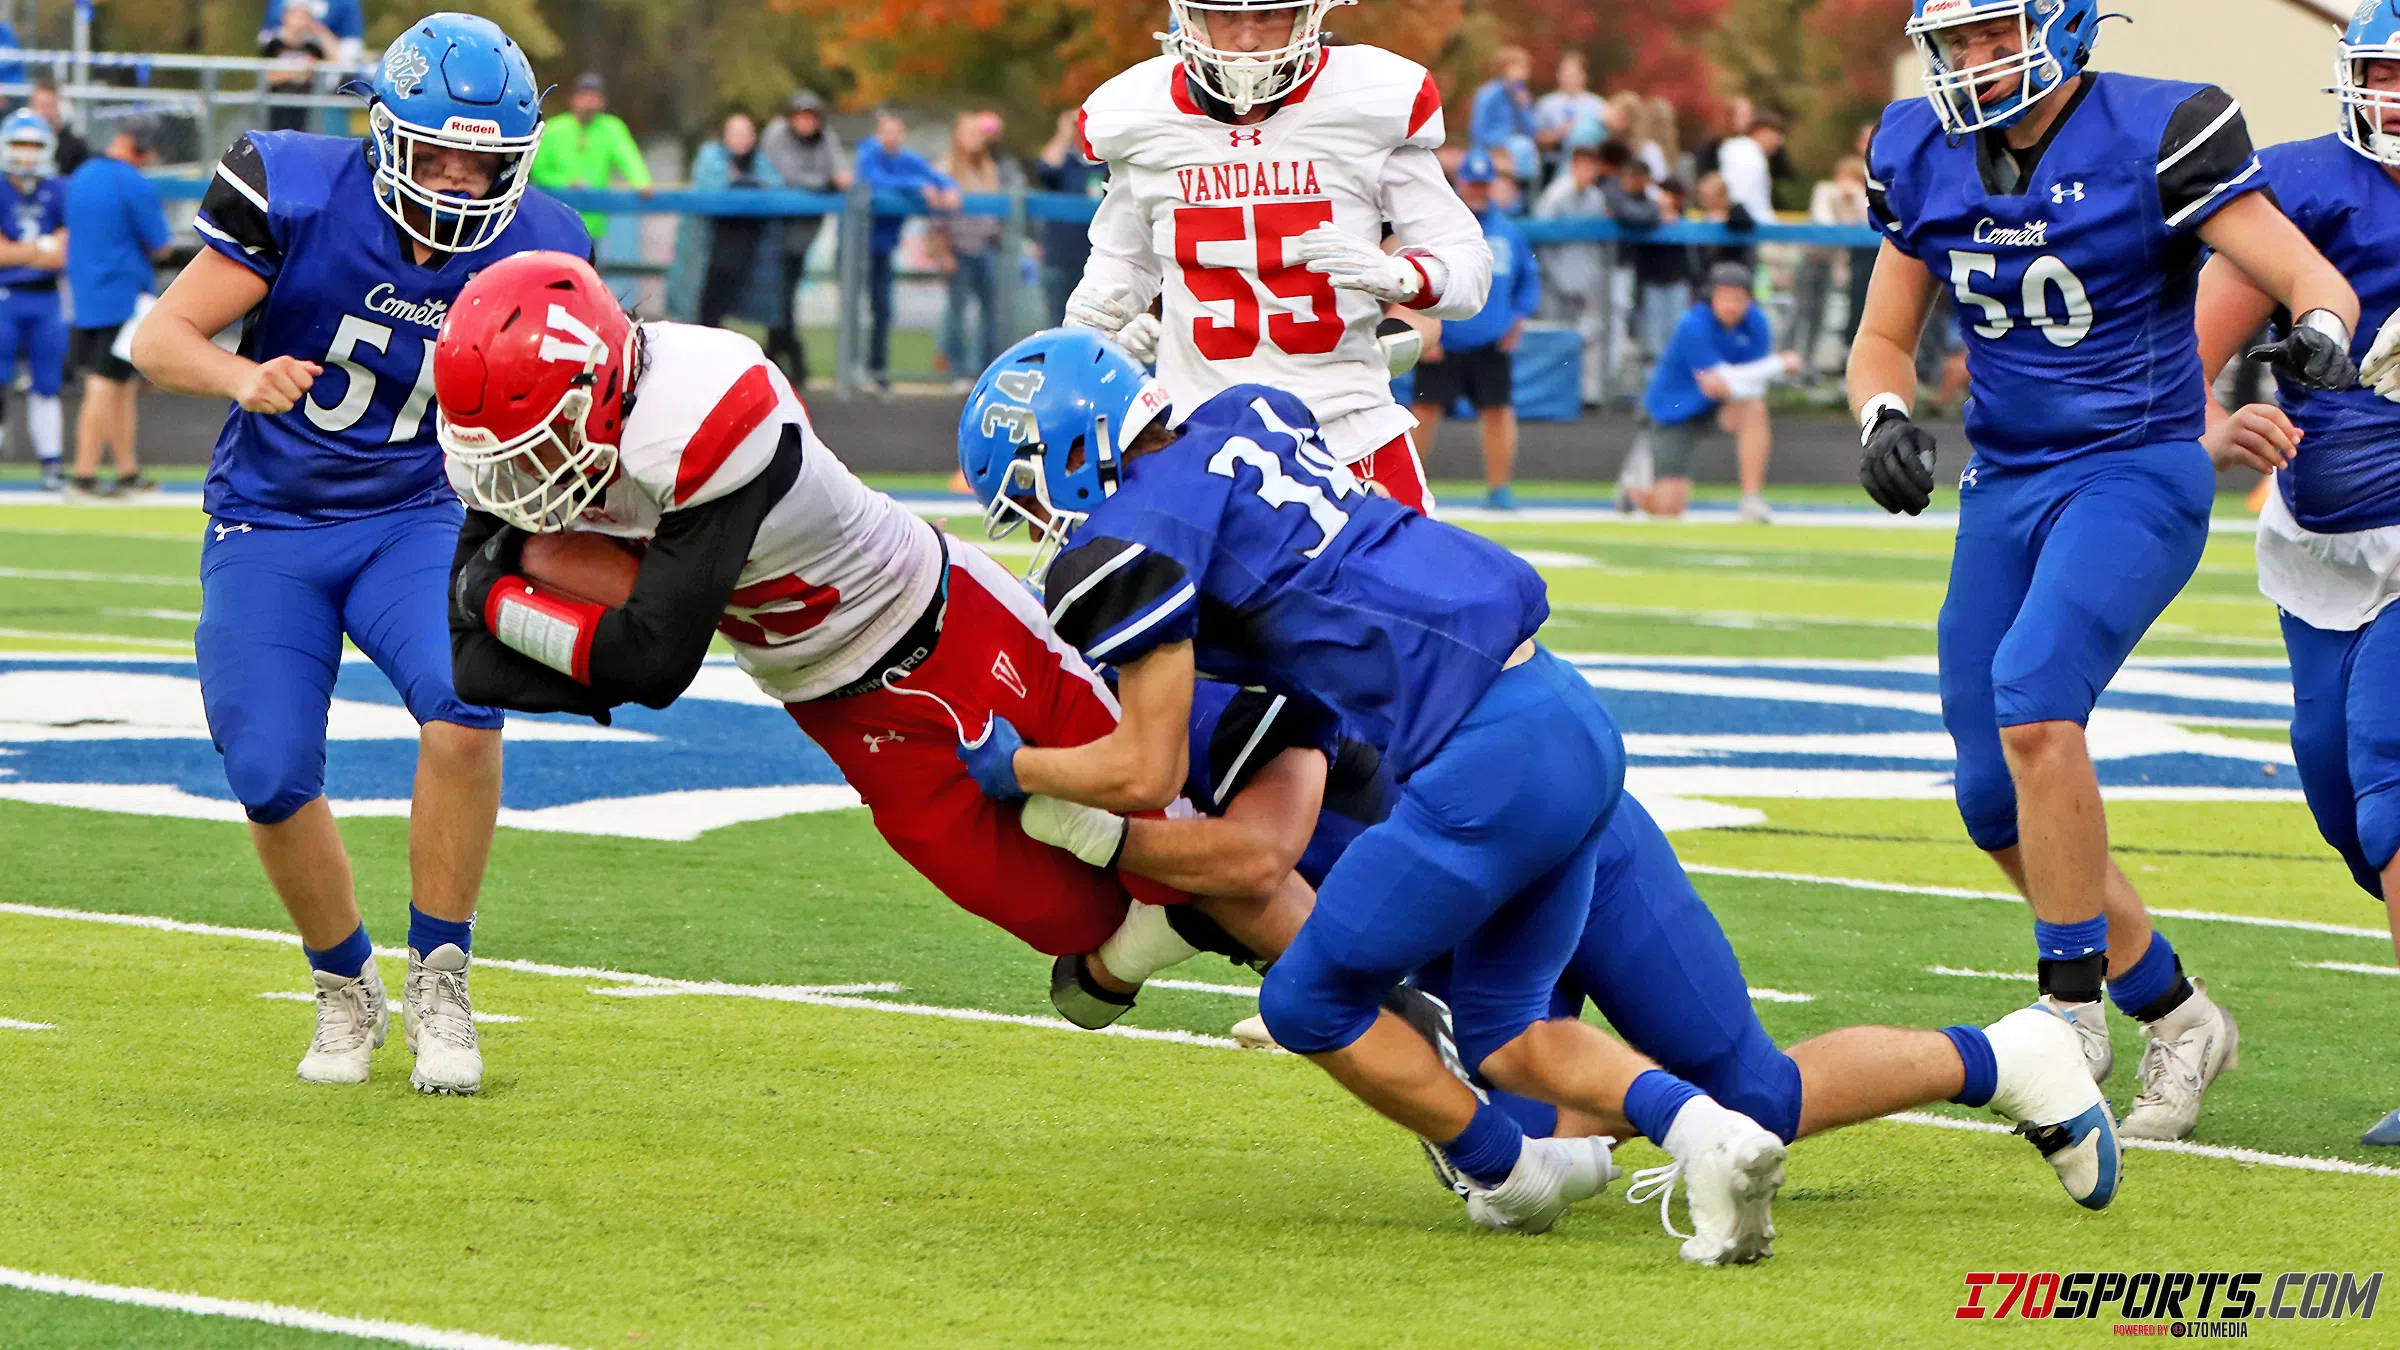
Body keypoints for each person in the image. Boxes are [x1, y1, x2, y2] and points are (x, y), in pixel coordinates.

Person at [957, 330, 1782, 1257]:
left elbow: (1144, 771)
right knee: (1505, 1032)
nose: (1036, 525)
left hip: (1486, 755)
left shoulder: (1129, 540)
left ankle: (1512, 1180)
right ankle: (1710, 1134)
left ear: (1074, 451)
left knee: (1305, 1000)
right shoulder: (1247, 414)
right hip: (1565, 707)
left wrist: (1016, 770)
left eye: (1027, 496)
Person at [433, 253, 1294, 1009]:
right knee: (1072, 921)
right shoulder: (512, 444)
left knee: (1172, 851)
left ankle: (1365, 971)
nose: (521, 472)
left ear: (600, 387)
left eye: (539, 443)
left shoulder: (703, 407)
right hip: (839, 707)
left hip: (947, 621)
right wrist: (513, 609)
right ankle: (1162, 947)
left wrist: (498, 599)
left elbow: (650, 663)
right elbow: (472, 667)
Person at [1017, 703, 2123, 1234]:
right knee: (1511, 1163)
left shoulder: (1248, 707)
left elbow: (1255, 864)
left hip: (1553, 835)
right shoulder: (1186, 816)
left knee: (1751, 1093)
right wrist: (1121, 937)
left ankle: (2004, 1059)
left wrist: (1100, 860)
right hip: (1473, 929)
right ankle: (1653, 1122)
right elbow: (1164, 948)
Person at [1849, 0, 2361, 1141]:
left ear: (2066, 26)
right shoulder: (1914, 148)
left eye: (1996, 35)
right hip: (2006, 484)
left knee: (2037, 699)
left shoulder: (2162, 126)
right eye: (1959, 40)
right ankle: (2176, 1015)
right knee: (1992, 798)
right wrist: (1882, 414)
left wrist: (2318, 332)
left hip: (2138, 469)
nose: (1974, 62)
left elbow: (2307, 274)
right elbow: (1883, 337)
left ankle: (2066, 1009)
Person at [129, 13, 589, 1095]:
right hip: (273, 522)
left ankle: (442, 974)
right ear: (383, 131)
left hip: (416, 515)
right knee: (269, 771)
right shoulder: (296, 188)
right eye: (437, 150)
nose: (460, 178)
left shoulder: (545, 240)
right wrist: (244, 379)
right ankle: (345, 985)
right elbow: (159, 340)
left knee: (465, 708)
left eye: (484, 157)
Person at [2191, 9, 2400, 1147]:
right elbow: (2188, 351)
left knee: (2390, 764)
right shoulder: (2309, 186)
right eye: (2386, 75)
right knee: (2336, 787)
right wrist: (2224, 422)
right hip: (2323, 537)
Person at [1064, 0, 1495, 514]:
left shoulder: (1365, 102)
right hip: (1198, 442)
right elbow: (1122, 266)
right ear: (1189, 18)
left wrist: (1402, 275)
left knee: (1420, 592)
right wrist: (1102, 325)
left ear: (1311, 14)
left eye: (1269, 15)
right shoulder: (1139, 114)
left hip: (1348, 434)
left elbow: (1469, 267)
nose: (1247, 39)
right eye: (1227, 16)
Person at [1411, 149, 1538, 510]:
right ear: (1460, 183)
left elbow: (1527, 280)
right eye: (1473, 183)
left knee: (1498, 412)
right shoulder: (1437, 227)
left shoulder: (1509, 233)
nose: (1479, 191)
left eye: (1485, 184)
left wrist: (1518, 320)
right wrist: (1424, 328)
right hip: (1444, 340)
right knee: (1424, 412)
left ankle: (1499, 488)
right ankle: (1411, 488)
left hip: (1490, 342)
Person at [1621, 262, 1795, 521]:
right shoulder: (1693, 323)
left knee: (1754, 408)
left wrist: (1757, 374)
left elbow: (1753, 386)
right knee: (1669, 508)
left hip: (1718, 406)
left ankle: (1751, 499)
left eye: (1739, 298)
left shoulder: (1757, 322)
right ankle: (1633, 489)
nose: (1731, 306)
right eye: (1724, 297)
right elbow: (1714, 384)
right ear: (1711, 297)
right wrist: (1778, 365)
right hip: (1673, 412)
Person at [62, 116, 170, 500]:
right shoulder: (133, 182)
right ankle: (84, 476)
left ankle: (127, 472)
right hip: (123, 295)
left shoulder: (81, 175)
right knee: (105, 385)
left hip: (85, 294)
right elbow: (160, 243)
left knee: (120, 385)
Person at [853, 109, 960, 395]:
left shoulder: (907, 159)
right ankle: (852, 371)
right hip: (855, 245)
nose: (891, 137)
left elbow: (938, 179)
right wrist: (918, 186)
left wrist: (948, 189)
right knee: (853, 308)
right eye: (886, 131)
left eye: (897, 131)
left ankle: (877, 372)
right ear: (878, 134)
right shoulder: (868, 154)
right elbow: (873, 180)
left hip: (883, 248)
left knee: (882, 310)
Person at [758, 91, 848, 387]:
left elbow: (841, 173)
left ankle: (778, 361)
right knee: (777, 299)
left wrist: (831, 181)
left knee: (785, 297)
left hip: (802, 232)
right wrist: (824, 184)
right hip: (769, 229)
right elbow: (786, 174)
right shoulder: (776, 134)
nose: (805, 122)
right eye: (800, 115)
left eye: (811, 116)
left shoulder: (827, 139)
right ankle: (789, 361)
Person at [0, 111, 70, 492]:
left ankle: (52, 464)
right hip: (4, 299)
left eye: (34, 146)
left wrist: (18, 251)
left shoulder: (58, 189)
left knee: (47, 384)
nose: (26, 155)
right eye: (19, 145)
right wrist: (40, 248)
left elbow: (62, 254)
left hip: (46, 300)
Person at [933, 111, 1013, 393]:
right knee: (957, 312)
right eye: (970, 133)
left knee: (991, 313)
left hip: (986, 247)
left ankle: (986, 369)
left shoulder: (989, 168)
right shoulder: (945, 169)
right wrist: (943, 252)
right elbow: (938, 219)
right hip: (958, 248)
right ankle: (958, 370)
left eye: (979, 134)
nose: (976, 139)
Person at [529, 72, 651, 240]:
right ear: (573, 98)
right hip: (556, 219)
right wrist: (565, 182)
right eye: (584, 96)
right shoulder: (554, 129)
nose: (589, 102)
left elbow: (629, 158)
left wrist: (642, 182)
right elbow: (538, 170)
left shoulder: (611, 129)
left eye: (595, 97)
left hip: (593, 223)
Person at [1532, 139, 1609, 403]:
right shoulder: (1555, 195)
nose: (1588, 172)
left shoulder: (1597, 198)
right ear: (1573, 166)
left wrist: (1590, 282)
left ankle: (1587, 395)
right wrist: (1555, 278)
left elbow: (1598, 246)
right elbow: (1540, 240)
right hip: (1554, 280)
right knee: (1553, 334)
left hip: (1586, 281)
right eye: (1583, 165)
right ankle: (1549, 396)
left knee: (1590, 335)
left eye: (1592, 166)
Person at [691, 112, 782, 330]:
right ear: (725, 136)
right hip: (712, 247)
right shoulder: (711, 158)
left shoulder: (760, 161)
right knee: (707, 310)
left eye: (745, 133)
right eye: (735, 134)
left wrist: (743, 183)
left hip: (749, 250)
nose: (741, 139)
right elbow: (707, 190)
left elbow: (775, 187)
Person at [1792, 155, 1868, 378]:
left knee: (1820, 313)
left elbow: (1865, 221)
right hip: (1810, 258)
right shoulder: (1824, 190)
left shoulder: (1856, 199)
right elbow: (1823, 219)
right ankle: (1791, 359)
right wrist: (1841, 197)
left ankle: (1808, 362)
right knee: (1800, 311)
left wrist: (1855, 195)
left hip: (1831, 263)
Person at [1032, 108, 1104, 327]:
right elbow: (1045, 169)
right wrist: (1063, 131)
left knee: (1096, 324)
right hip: (1060, 258)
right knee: (1057, 321)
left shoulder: (1107, 165)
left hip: (1098, 258)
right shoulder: (1065, 165)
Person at [1468, 46, 1538, 191]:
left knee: (1526, 148)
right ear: (1506, 68)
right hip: (1492, 149)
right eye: (1520, 67)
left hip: (1516, 148)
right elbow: (1477, 130)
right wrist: (1497, 149)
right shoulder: (1488, 94)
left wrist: (1523, 107)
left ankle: (1524, 196)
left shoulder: (1520, 94)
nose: (1525, 72)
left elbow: (1531, 130)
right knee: (1522, 147)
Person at [259, 0, 334, 134]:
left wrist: (320, 31)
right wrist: (297, 71)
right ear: (286, 16)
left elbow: (337, 62)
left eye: (307, 16)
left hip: (305, 114)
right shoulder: (273, 44)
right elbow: (266, 76)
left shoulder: (313, 48)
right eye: (299, 15)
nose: (302, 21)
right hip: (276, 113)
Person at [1531, 53, 1605, 183]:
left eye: (1573, 73)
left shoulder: (1597, 105)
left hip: (1588, 167)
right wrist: (1558, 134)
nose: (1568, 77)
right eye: (1565, 72)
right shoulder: (1546, 104)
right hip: (1552, 165)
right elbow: (1537, 138)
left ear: (1583, 76)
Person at [1715, 111, 1781, 226]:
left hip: (1739, 223)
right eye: (1774, 134)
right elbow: (1749, 201)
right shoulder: (1749, 155)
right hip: (1748, 228)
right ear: (1761, 131)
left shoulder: (1736, 149)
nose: (1778, 141)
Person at [28, 81, 88, 178]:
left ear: (59, 107)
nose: (44, 112)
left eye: (49, 105)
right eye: (39, 106)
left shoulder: (75, 147)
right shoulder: (20, 143)